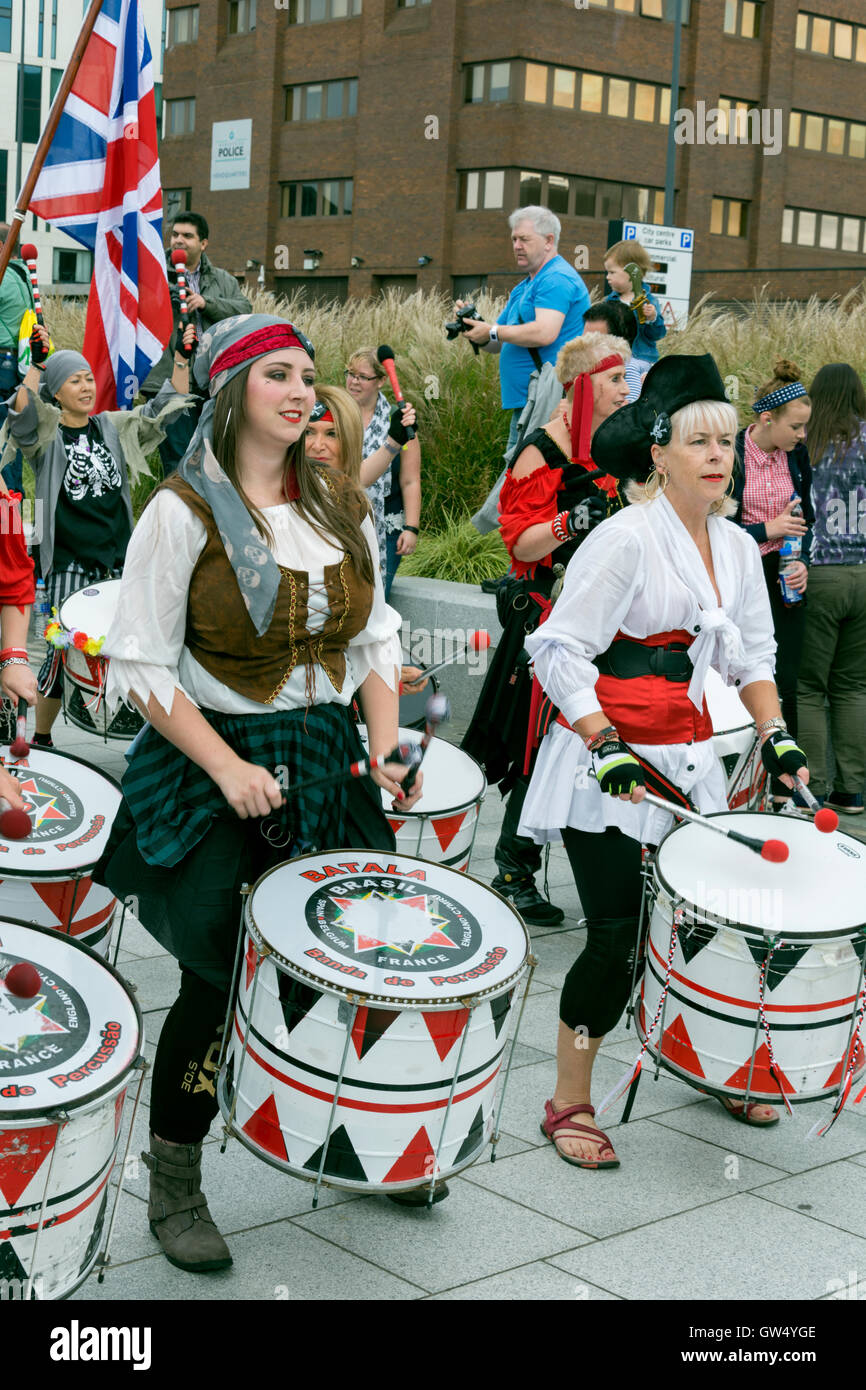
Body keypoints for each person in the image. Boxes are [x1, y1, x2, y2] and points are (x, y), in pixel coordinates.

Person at [93, 314, 431, 1274]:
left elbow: (373, 642)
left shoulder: (334, 500)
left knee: (367, 957)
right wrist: (227, 768)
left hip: (329, 755)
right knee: (215, 976)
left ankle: (380, 1139)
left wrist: (386, 747)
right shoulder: (182, 509)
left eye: (307, 376)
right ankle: (175, 1180)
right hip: (221, 759)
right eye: (276, 374)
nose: (298, 390)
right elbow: (142, 667)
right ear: (232, 388)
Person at [518, 354, 810, 1166]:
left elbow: (754, 658)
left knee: (701, 928)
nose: (718, 455)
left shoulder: (734, 545)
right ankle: (569, 1099)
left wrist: (776, 736)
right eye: (698, 442)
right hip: (601, 764)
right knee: (615, 935)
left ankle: (702, 1061)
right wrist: (602, 740)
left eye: (726, 441)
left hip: (687, 762)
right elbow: (559, 651)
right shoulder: (623, 539)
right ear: (658, 453)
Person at [462, 332, 631, 926]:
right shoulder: (541, 450)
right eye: (615, 378)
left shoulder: (615, 443)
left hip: (603, 616)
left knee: (588, 739)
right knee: (540, 746)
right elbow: (522, 542)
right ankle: (513, 870)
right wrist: (570, 519)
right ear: (584, 385)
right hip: (548, 619)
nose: (625, 387)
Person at [0, 323, 195, 746]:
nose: (86, 386)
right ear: (57, 390)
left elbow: (166, 408)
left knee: (135, 649)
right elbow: (21, 416)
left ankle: (145, 735)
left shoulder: (111, 425)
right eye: (74, 380)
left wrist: (180, 357)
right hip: (70, 560)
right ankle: (44, 737)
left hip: (119, 557)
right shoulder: (47, 437)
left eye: (89, 377)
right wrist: (36, 364)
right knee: (61, 650)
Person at [305, 382, 427, 697]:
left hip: (334, 693)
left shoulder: (358, 514)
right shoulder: (267, 503)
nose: (318, 445)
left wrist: (391, 668)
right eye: (309, 432)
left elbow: (372, 621)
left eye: (331, 434)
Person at [731, 360, 813, 811]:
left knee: (788, 679)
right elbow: (713, 531)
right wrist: (768, 528)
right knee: (741, 674)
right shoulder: (733, 455)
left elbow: (808, 519)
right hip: (743, 576)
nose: (802, 435)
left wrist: (806, 564)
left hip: (785, 576)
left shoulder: (796, 456)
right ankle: (734, 781)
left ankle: (786, 791)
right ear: (767, 420)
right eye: (796, 427)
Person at [458, 206, 591, 454]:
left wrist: (493, 331)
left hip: (547, 398)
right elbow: (495, 344)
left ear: (549, 241)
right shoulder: (525, 286)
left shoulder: (556, 279)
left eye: (524, 239)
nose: (516, 246)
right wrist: (475, 325)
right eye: (514, 239)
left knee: (527, 474)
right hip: (529, 400)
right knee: (517, 473)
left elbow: (544, 333)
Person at [796, 363, 866, 816]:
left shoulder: (808, 443)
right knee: (854, 686)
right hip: (865, 571)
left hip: (821, 570)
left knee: (808, 686)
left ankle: (813, 787)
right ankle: (853, 790)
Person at [140, 213, 252, 474]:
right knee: (178, 459)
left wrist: (206, 303)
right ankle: (176, 510)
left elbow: (244, 310)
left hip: (212, 381)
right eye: (175, 234)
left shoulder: (222, 280)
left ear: (203, 244)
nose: (179, 241)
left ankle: (206, 511)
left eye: (187, 236)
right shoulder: (153, 273)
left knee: (214, 456)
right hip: (170, 381)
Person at [343, 348, 420, 597]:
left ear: (381, 381)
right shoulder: (334, 416)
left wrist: (411, 528)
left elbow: (409, 480)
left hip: (385, 526)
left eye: (362, 377)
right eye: (350, 374)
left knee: (376, 597)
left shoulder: (399, 421)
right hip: (341, 520)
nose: (353, 381)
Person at [0, 223, 38, 494]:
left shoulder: (2, 278)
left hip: (1, 364)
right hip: (18, 366)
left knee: (1, 449)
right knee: (9, 444)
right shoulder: (24, 273)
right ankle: (13, 523)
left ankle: (7, 526)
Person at [603, 239, 666, 365]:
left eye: (612, 272)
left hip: (642, 359)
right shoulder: (609, 302)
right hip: (617, 360)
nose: (607, 277)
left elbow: (658, 334)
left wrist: (652, 318)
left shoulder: (649, 301)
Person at [581, 299, 648, 401]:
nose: (585, 347)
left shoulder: (629, 369)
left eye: (595, 342)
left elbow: (627, 413)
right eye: (584, 340)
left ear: (621, 345)